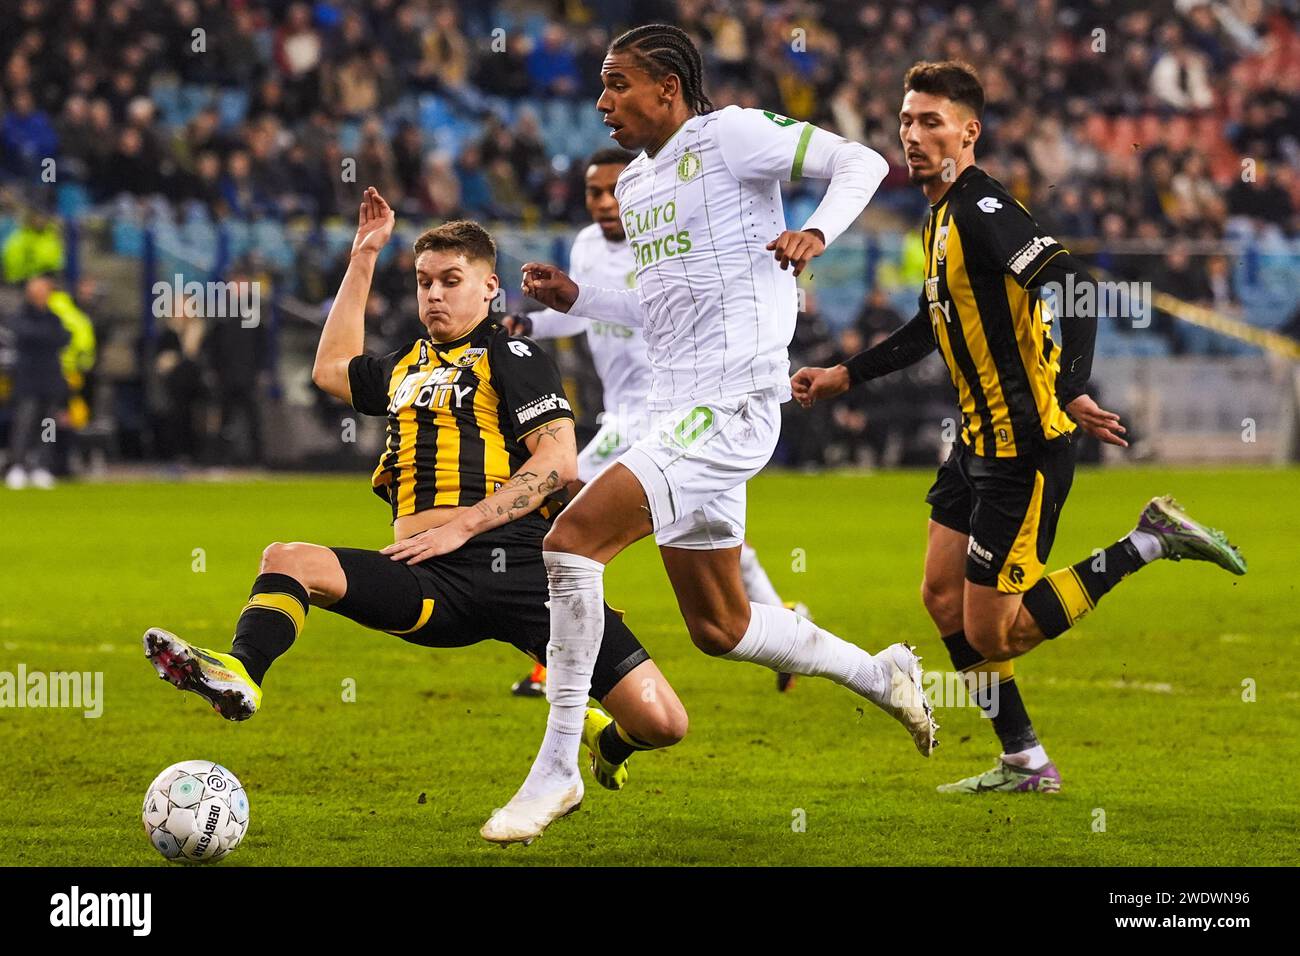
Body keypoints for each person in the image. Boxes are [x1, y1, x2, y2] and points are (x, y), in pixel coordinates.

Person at [433, 24, 935, 845]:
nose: (602, 102)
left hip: (733, 403)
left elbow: (864, 162)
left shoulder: (731, 134)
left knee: (568, 544)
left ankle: (557, 766)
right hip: (674, 411)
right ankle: (880, 674)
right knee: (722, 628)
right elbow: (657, 308)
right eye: (600, 87)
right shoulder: (635, 185)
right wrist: (579, 301)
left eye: (618, 84)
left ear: (669, 86)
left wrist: (817, 233)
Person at [793, 61, 1247, 794]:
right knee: (941, 596)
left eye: (930, 121)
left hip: (1022, 448)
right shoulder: (938, 214)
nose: (912, 134)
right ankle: (1023, 760)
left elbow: (1079, 290)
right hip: (974, 440)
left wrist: (1068, 391)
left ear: (969, 132)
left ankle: (1149, 539)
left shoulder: (982, 207)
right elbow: (931, 325)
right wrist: (846, 375)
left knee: (991, 633)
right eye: (906, 120)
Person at [143, 191, 687, 798]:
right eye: (425, 281)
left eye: (451, 280)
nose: (433, 294)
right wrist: (363, 256)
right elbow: (331, 368)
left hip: (523, 571)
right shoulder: (404, 365)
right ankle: (243, 673)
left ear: (488, 288)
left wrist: (465, 524)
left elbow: (557, 461)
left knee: (662, 722)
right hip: (427, 578)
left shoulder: (514, 355)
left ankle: (607, 741)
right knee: (287, 560)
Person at [504, 147, 808, 696]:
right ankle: (783, 617)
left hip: (668, 408)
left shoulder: (664, 241)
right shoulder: (586, 246)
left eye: (613, 191)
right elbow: (578, 310)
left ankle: (559, 658)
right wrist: (527, 322)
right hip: (622, 409)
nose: (603, 203)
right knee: (701, 528)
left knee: (560, 497)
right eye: (593, 192)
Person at [5, 275, 70, 490]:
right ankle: (17, 466)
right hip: (28, 380)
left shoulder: (53, 318)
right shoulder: (21, 315)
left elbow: (64, 337)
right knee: (23, 425)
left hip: (50, 380)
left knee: (48, 426)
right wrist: (47, 337)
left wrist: (45, 337)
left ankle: (42, 466)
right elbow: (25, 333)